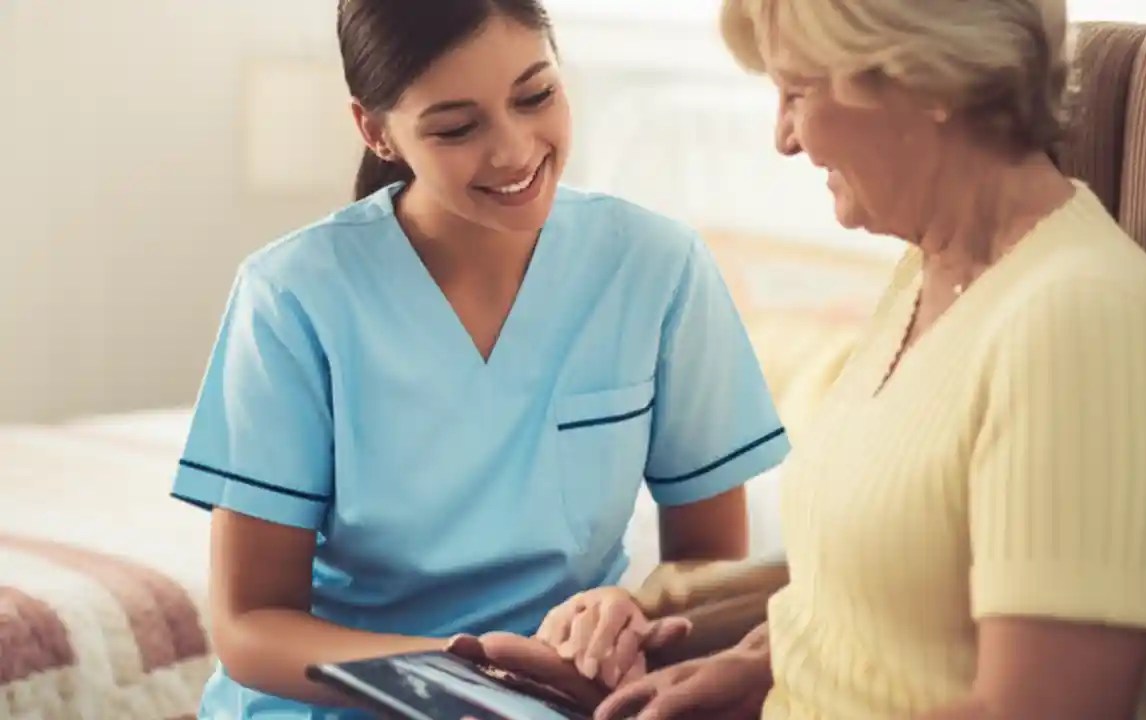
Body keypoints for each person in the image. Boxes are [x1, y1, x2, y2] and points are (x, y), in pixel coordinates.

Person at [526, 0, 1146, 718]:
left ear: (929, 85)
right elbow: (891, 593)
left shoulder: (1080, 328)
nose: (784, 138)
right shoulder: (933, 276)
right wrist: (751, 667)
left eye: (798, 93)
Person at [167, 0, 790, 717]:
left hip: (561, 697)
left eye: (537, 96)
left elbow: (708, 564)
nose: (514, 150)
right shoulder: (291, 296)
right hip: (343, 702)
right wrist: (466, 677)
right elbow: (250, 626)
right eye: (457, 128)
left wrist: (624, 609)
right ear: (376, 131)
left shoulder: (658, 268)